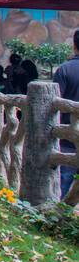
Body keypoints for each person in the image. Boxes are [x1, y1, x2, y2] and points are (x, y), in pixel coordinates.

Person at [54, 30, 79, 199]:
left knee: (64, 182)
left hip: (68, 136)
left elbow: (55, 104)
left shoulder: (64, 70)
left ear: (74, 45)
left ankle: (58, 220)